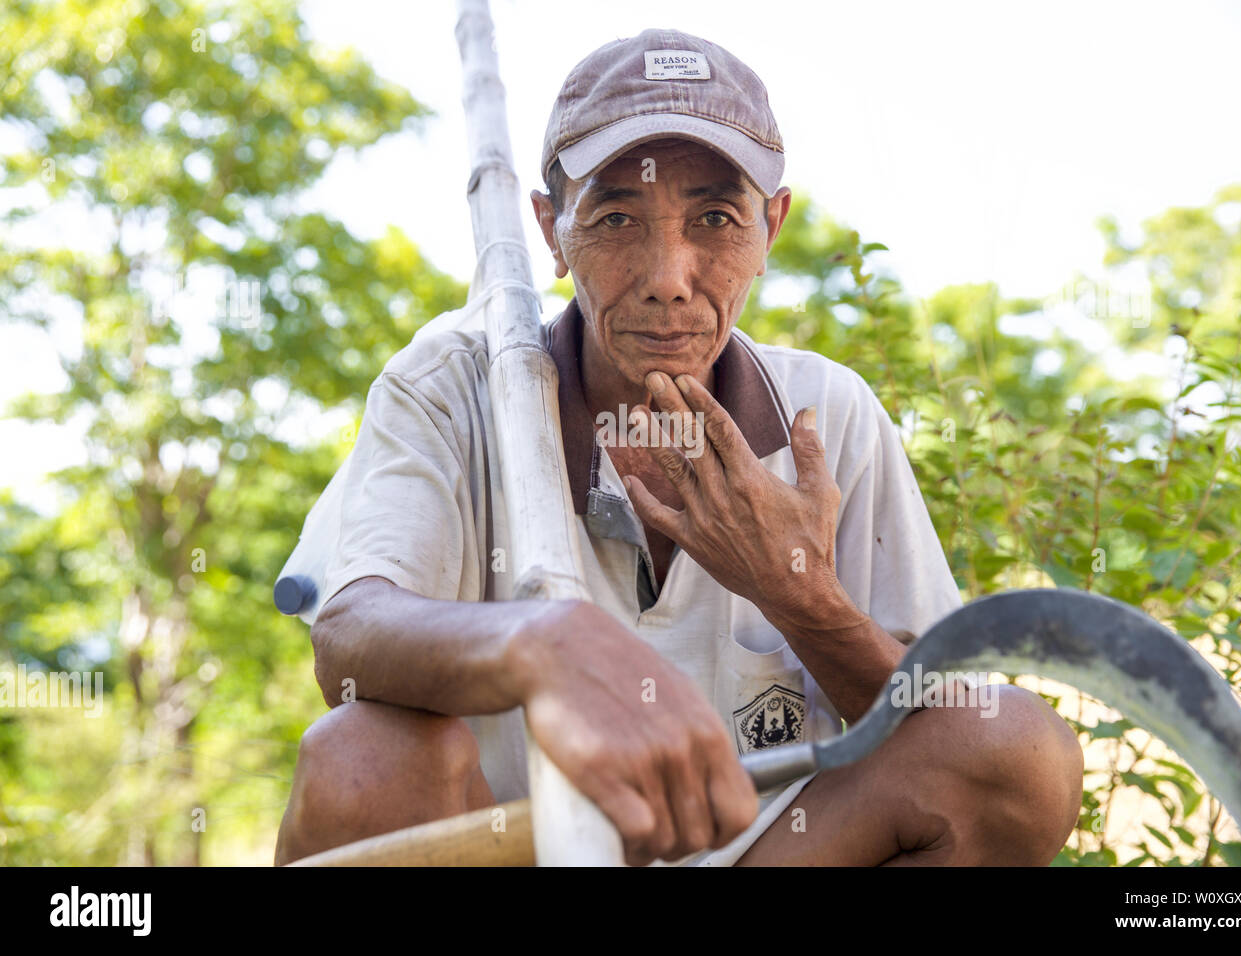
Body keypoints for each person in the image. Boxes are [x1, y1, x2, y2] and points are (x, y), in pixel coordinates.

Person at [274, 28, 1083, 867]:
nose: (668, 273)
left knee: (1016, 751)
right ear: (550, 231)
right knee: (360, 758)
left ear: (771, 227)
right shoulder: (453, 390)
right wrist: (541, 643)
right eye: (618, 215)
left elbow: (938, 728)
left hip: (768, 854)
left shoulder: (825, 415)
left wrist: (800, 596)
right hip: (518, 847)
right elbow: (351, 638)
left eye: (715, 218)